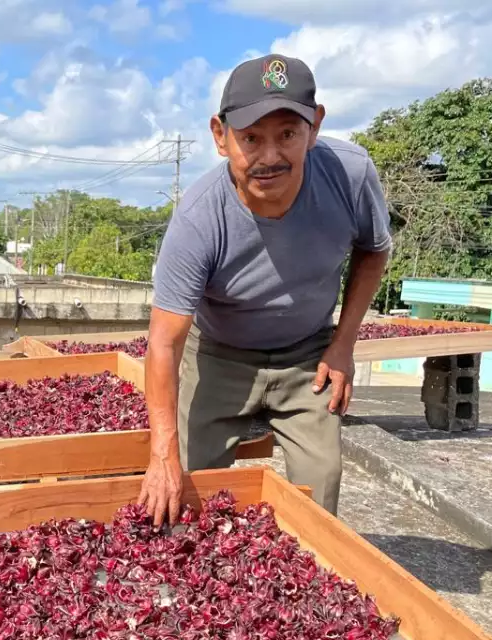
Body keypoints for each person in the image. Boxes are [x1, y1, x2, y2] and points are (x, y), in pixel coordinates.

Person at [137, 53, 392, 525]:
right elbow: (164, 342)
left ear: (314, 127)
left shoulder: (350, 175)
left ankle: (311, 589)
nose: (270, 157)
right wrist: (162, 455)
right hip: (218, 354)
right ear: (220, 136)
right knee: (186, 491)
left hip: (308, 355)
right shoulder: (198, 219)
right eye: (251, 138)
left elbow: (374, 249)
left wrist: (342, 346)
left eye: (288, 135)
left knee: (321, 485)